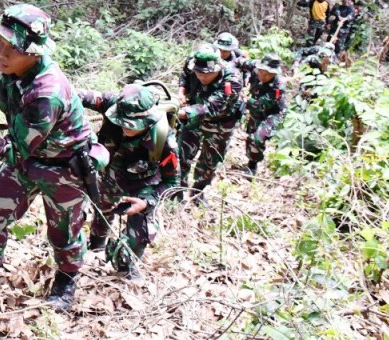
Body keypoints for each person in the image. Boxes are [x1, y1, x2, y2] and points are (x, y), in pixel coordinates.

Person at [0, 4, 103, 310]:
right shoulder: (1, 59)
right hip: (27, 159)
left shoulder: (46, 91)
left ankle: (65, 285)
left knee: (64, 231)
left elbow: (15, 147)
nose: (2, 52)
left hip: (64, 166)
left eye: (12, 48)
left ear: (34, 53)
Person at [79, 84, 180, 280]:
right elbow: (75, 94)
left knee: (140, 231)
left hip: (142, 188)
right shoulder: (113, 105)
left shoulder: (164, 138)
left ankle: (127, 266)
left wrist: (147, 201)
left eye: (131, 125)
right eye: (121, 122)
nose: (125, 129)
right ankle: (96, 246)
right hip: (108, 179)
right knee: (101, 216)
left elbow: (172, 181)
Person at [176, 47, 244, 200]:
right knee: (181, 153)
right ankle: (177, 190)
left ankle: (198, 192)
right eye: (199, 73)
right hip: (192, 118)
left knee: (210, 161)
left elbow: (213, 107)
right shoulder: (192, 62)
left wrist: (183, 112)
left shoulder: (232, 79)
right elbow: (185, 77)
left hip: (219, 123)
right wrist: (181, 92)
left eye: (207, 74)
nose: (202, 77)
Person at [241, 54, 287, 177]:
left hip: (273, 112)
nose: (263, 76)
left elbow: (261, 105)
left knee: (259, 137)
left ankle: (252, 166)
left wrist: (244, 99)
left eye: (268, 74)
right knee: (251, 136)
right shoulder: (254, 66)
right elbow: (239, 60)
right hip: (255, 107)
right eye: (261, 72)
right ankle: (251, 159)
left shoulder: (278, 86)